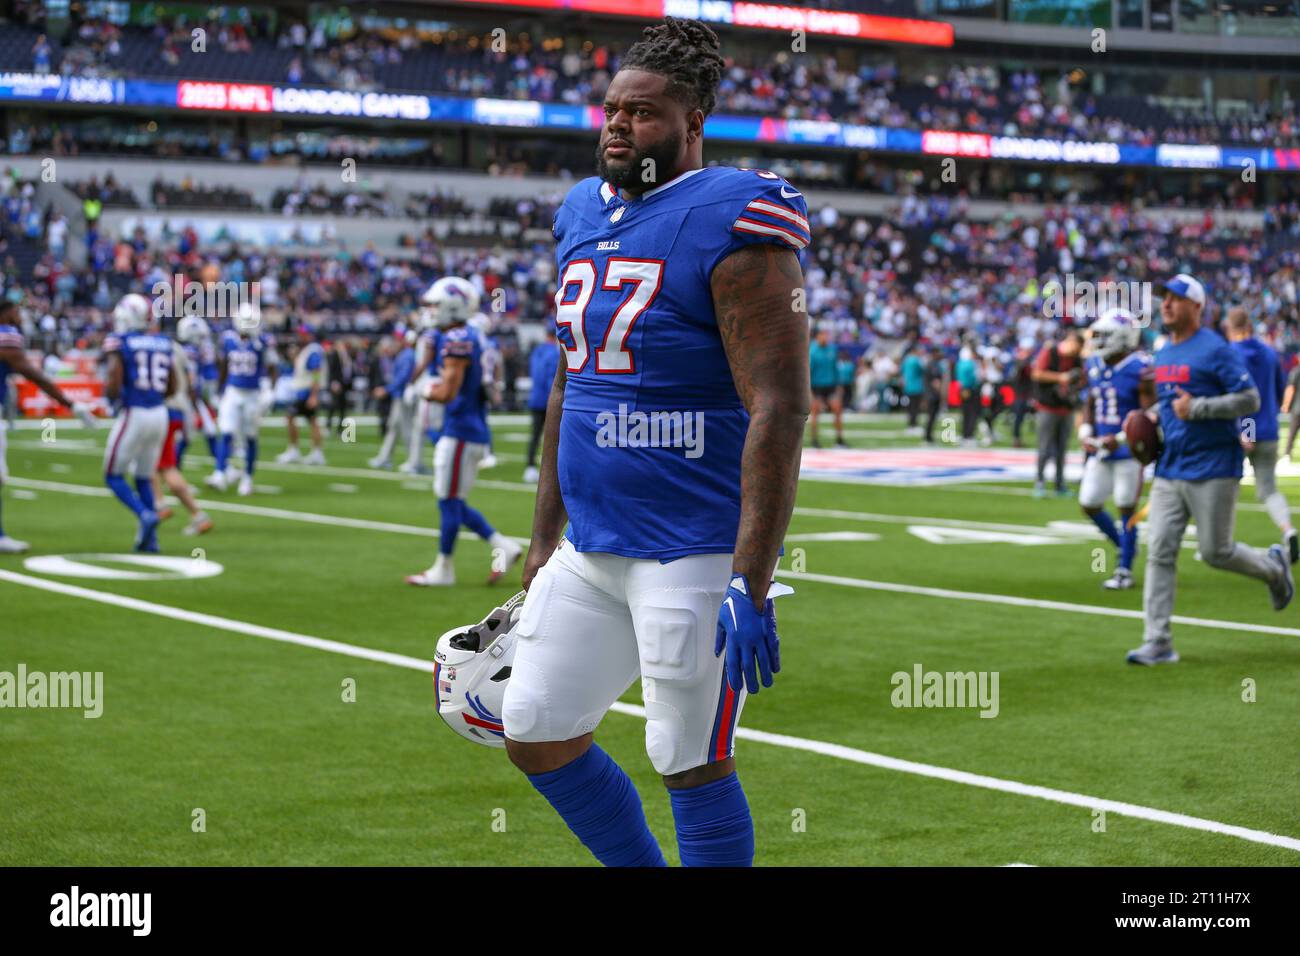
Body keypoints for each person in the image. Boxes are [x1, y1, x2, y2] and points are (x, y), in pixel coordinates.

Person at [503, 16, 808, 868]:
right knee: (531, 729)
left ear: (691, 123)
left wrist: (752, 578)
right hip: (594, 544)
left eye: (642, 113)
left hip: (693, 548)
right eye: (612, 109)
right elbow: (571, 381)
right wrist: (541, 540)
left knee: (689, 760)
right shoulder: (579, 210)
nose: (619, 125)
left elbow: (780, 407)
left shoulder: (734, 216)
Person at [1132, 275, 1293, 666]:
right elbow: (1173, 405)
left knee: (1215, 552)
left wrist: (1201, 408)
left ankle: (1274, 571)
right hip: (1171, 468)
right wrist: (1149, 420)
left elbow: (1250, 398)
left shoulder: (1216, 349)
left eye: (1175, 298)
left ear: (1197, 307)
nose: (1166, 305)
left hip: (1215, 466)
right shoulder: (1163, 351)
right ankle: (1158, 640)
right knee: (1159, 552)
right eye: (1164, 298)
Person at [405, 278, 521, 587]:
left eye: (435, 304)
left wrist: (424, 388)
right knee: (451, 500)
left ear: (452, 306)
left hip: (461, 430)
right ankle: (503, 545)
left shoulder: (458, 337)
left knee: (449, 500)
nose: (430, 310)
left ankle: (445, 568)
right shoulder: (473, 335)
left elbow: (447, 392)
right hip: (470, 427)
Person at [0, 300, 95, 553]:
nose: (19, 316)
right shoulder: (6, 337)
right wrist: (71, 404)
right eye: (15, 312)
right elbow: (36, 376)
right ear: (5, 314)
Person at [1077, 309, 1152, 591]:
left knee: (1125, 505)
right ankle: (1125, 546)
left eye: (1104, 335)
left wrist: (1121, 437)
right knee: (1089, 502)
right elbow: (1091, 403)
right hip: (1101, 447)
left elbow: (1150, 412)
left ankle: (1124, 570)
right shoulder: (1094, 364)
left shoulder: (1140, 367)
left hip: (1131, 448)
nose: (1098, 341)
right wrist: (1086, 431)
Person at [101, 294, 175, 553]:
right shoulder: (162, 342)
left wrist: (111, 397)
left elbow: (113, 375)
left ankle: (144, 514)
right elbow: (173, 384)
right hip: (160, 413)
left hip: (135, 412)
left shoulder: (121, 341)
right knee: (144, 475)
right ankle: (151, 540)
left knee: (112, 475)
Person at [1224, 306, 1296, 562]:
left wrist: (1246, 430)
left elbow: (1234, 395)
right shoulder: (1269, 352)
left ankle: (1220, 542)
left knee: (1224, 486)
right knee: (1269, 489)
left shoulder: (1231, 353)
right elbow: (1278, 392)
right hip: (1268, 428)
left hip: (1244, 428)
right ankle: (1288, 530)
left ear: (1231, 327)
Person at [154, 316, 213, 537]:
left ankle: (160, 505)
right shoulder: (179, 350)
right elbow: (189, 381)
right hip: (180, 408)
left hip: (164, 409)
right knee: (163, 465)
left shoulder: (156, 347)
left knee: (155, 465)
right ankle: (196, 515)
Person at [208, 304, 276, 496]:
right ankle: (220, 473)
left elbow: (272, 366)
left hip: (253, 394)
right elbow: (224, 366)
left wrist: (270, 389)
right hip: (233, 391)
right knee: (226, 431)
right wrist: (219, 390)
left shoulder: (263, 341)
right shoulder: (228, 339)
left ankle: (247, 477)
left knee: (250, 436)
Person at [1030, 326, 1083, 497]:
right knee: (1044, 446)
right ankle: (1040, 481)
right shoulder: (1050, 352)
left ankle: (1059, 483)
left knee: (1062, 448)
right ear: (1070, 342)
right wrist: (1061, 377)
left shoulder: (1076, 359)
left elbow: (1081, 379)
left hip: (1065, 407)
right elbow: (1037, 374)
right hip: (1048, 406)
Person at [275, 324, 326, 465]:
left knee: (297, 418)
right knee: (310, 420)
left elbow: (316, 372)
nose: (300, 336)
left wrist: (314, 395)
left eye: (303, 334)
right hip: (303, 390)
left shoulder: (313, 350)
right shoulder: (307, 350)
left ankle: (301, 451)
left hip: (306, 391)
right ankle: (312, 452)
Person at [524, 327, 560, 483]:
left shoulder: (536, 351)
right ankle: (553, 471)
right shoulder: (554, 353)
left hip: (535, 397)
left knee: (535, 435)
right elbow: (551, 379)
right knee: (554, 437)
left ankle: (530, 467)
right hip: (548, 399)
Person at [808, 323, 841, 448]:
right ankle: (814, 440)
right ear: (817, 336)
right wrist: (809, 390)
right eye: (822, 334)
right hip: (817, 387)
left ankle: (839, 439)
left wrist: (838, 385)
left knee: (838, 410)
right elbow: (809, 371)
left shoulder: (832, 349)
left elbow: (835, 368)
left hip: (830, 385)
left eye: (826, 334)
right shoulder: (812, 351)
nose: (825, 337)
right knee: (815, 414)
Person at [923, 346, 949, 444]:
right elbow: (936, 382)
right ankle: (928, 437)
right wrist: (942, 395)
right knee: (931, 416)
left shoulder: (935, 364)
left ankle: (929, 436)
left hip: (932, 394)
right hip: (932, 395)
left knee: (932, 417)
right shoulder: (932, 365)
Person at [900, 345, 925, 434]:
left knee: (910, 407)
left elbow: (901, 372)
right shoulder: (917, 360)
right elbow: (923, 370)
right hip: (916, 386)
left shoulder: (906, 360)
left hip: (908, 386)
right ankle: (913, 425)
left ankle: (910, 424)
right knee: (915, 407)